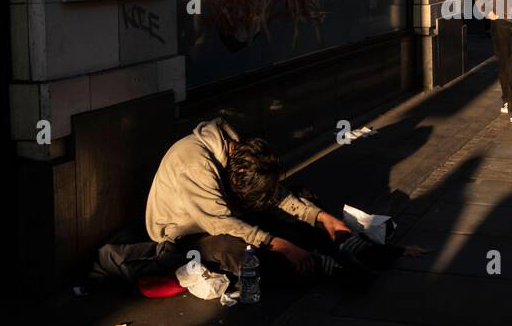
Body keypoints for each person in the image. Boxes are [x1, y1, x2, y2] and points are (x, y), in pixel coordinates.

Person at [143, 119, 386, 287]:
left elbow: (272, 193)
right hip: (184, 234)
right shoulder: (194, 164)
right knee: (239, 252)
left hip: (226, 212)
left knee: (301, 197)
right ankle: (317, 267)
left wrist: (320, 217)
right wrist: (277, 244)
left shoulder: (237, 147)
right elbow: (219, 222)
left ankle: (337, 244)